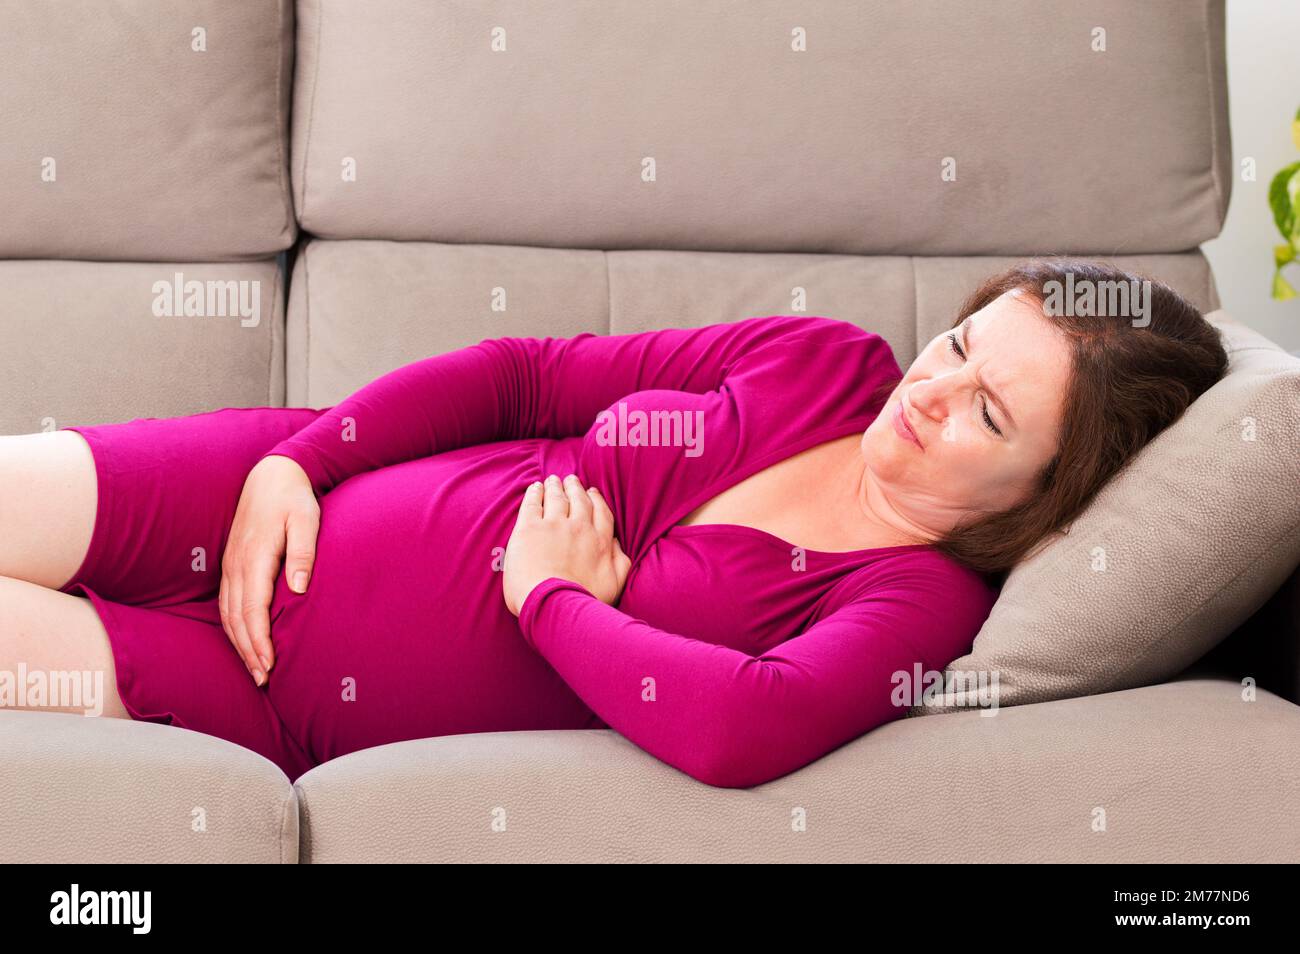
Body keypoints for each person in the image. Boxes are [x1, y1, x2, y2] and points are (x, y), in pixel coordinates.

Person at [0, 259, 1228, 787]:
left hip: (263, 692)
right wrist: (299, 460)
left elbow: (746, 727)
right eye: (957, 344)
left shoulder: (922, 602)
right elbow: (528, 374)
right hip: (250, 488)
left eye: (988, 414)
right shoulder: (826, 362)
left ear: (1045, 491)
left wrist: (552, 600)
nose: (931, 392)